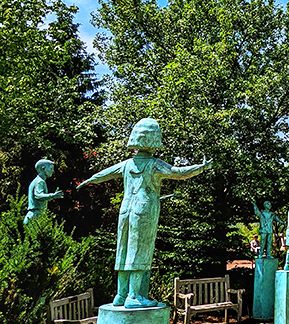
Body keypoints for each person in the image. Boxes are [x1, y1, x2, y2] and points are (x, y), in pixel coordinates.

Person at [77, 118, 213, 308]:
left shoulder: (126, 164)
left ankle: (120, 295)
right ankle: (134, 296)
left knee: (123, 250)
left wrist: (87, 181)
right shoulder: (155, 164)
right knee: (140, 250)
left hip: (125, 209)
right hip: (144, 210)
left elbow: (102, 175)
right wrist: (202, 167)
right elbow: (179, 172)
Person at [24, 158, 63, 225]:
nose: (53, 171)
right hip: (36, 216)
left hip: (33, 215)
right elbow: (38, 195)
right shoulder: (40, 182)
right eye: (51, 169)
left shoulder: (37, 181)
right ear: (43, 169)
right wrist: (53, 195)